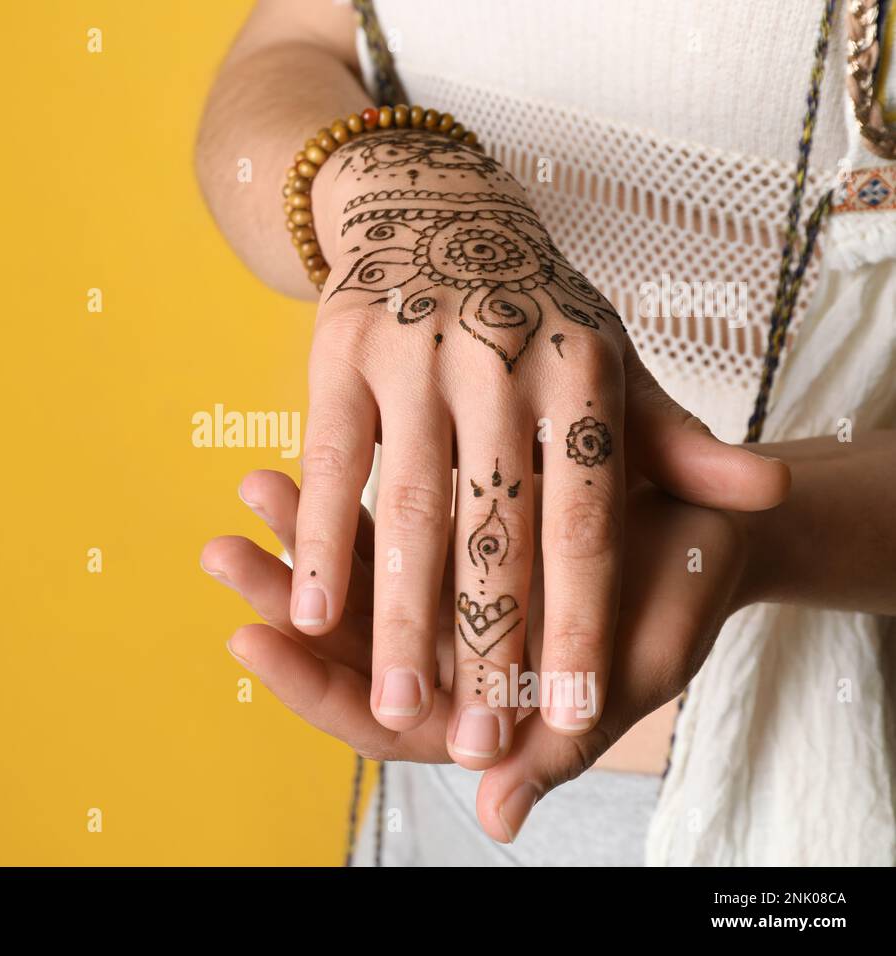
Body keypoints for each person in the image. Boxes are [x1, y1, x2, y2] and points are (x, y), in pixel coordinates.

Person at [195, 0, 896, 865]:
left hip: (790, 801)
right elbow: (293, 43)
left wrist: (767, 535)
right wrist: (399, 183)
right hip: (433, 761)